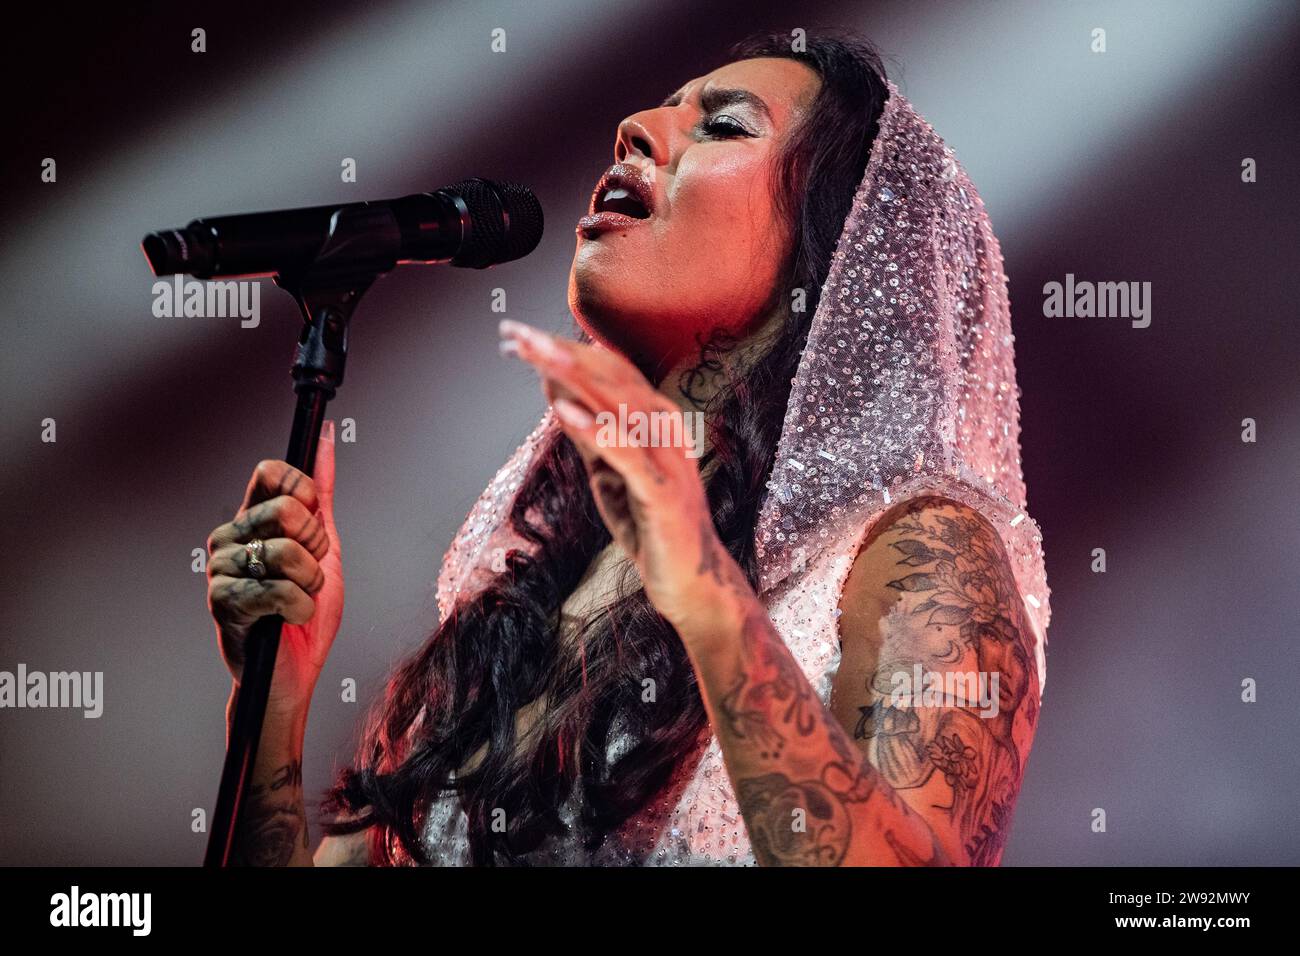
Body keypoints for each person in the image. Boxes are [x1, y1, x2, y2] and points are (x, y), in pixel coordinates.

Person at [205, 30, 1051, 867]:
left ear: (829, 244)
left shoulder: (921, 554)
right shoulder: (539, 592)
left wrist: (704, 589)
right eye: (663, 106)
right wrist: (274, 704)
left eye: (723, 125)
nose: (637, 127)